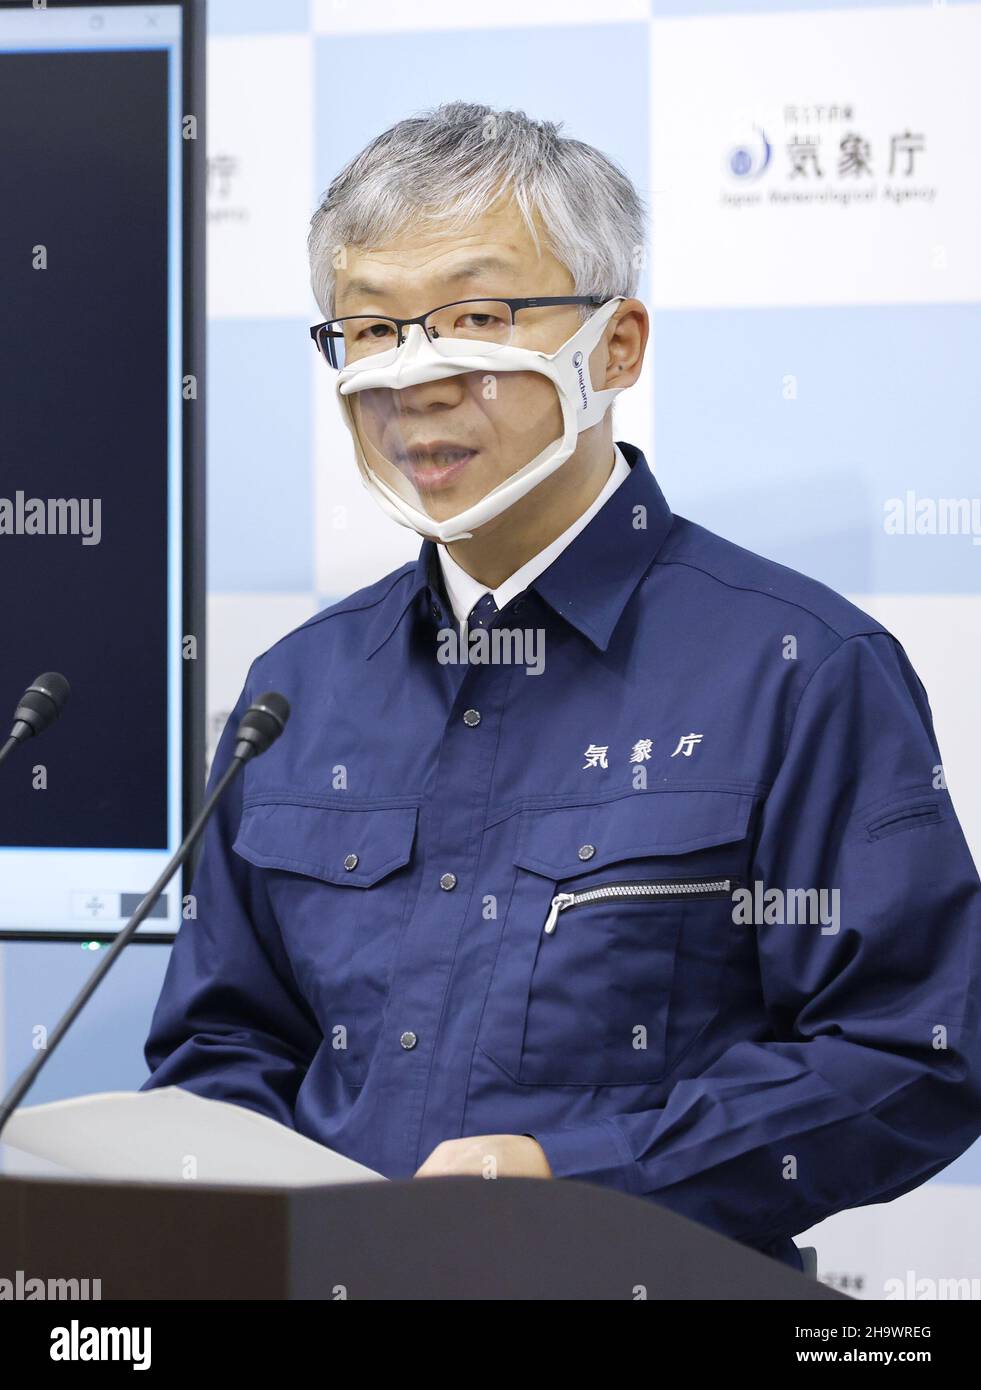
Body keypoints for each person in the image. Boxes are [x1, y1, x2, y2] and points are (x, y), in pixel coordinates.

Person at [143, 102, 981, 1273]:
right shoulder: (298, 690)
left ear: (617, 346)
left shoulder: (801, 669)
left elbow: (916, 1050)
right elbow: (221, 1043)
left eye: (477, 317)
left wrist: (584, 1180)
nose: (418, 381)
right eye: (373, 330)